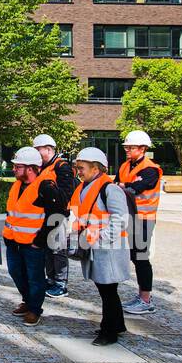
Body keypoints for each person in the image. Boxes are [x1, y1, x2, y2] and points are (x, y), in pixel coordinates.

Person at [69, 147, 132, 346]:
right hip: (96, 246)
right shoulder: (85, 188)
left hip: (108, 248)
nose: (78, 171)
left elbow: (120, 219)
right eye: (78, 167)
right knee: (106, 289)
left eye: (81, 168)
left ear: (96, 169)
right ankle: (117, 324)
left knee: (108, 290)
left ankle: (109, 331)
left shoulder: (110, 189)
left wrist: (101, 238)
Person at [2, 147, 64, 326]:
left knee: (35, 277)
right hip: (13, 240)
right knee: (16, 272)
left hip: (33, 243)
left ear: (30, 168)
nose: (14, 169)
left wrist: (41, 240)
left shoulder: (45, 186)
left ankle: (35, 309)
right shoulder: (17, 185)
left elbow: (57, 214)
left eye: (17, 167)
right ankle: (28, 301)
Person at [117, 129, 162, 315]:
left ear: (143, 148)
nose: (127, 149)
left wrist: (123, 186)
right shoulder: (125, 166)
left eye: (131, 147)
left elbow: (137, 187)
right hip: (129, 217)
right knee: (134, 256)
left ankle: (146, 299)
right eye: (126, 146)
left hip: (144, 219)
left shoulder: (151, 169)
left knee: (141, 257)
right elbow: (116, 185)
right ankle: (141, 296)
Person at [33, 134, 76, 298]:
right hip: (46, 214)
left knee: (58, 250)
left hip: (59, 214)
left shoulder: (62, 167)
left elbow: (66, 193)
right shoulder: (43, 167)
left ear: (48, 149)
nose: (36, 153)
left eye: (38, 150)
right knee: (48, 249)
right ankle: (50, 280)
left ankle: (60, 284)